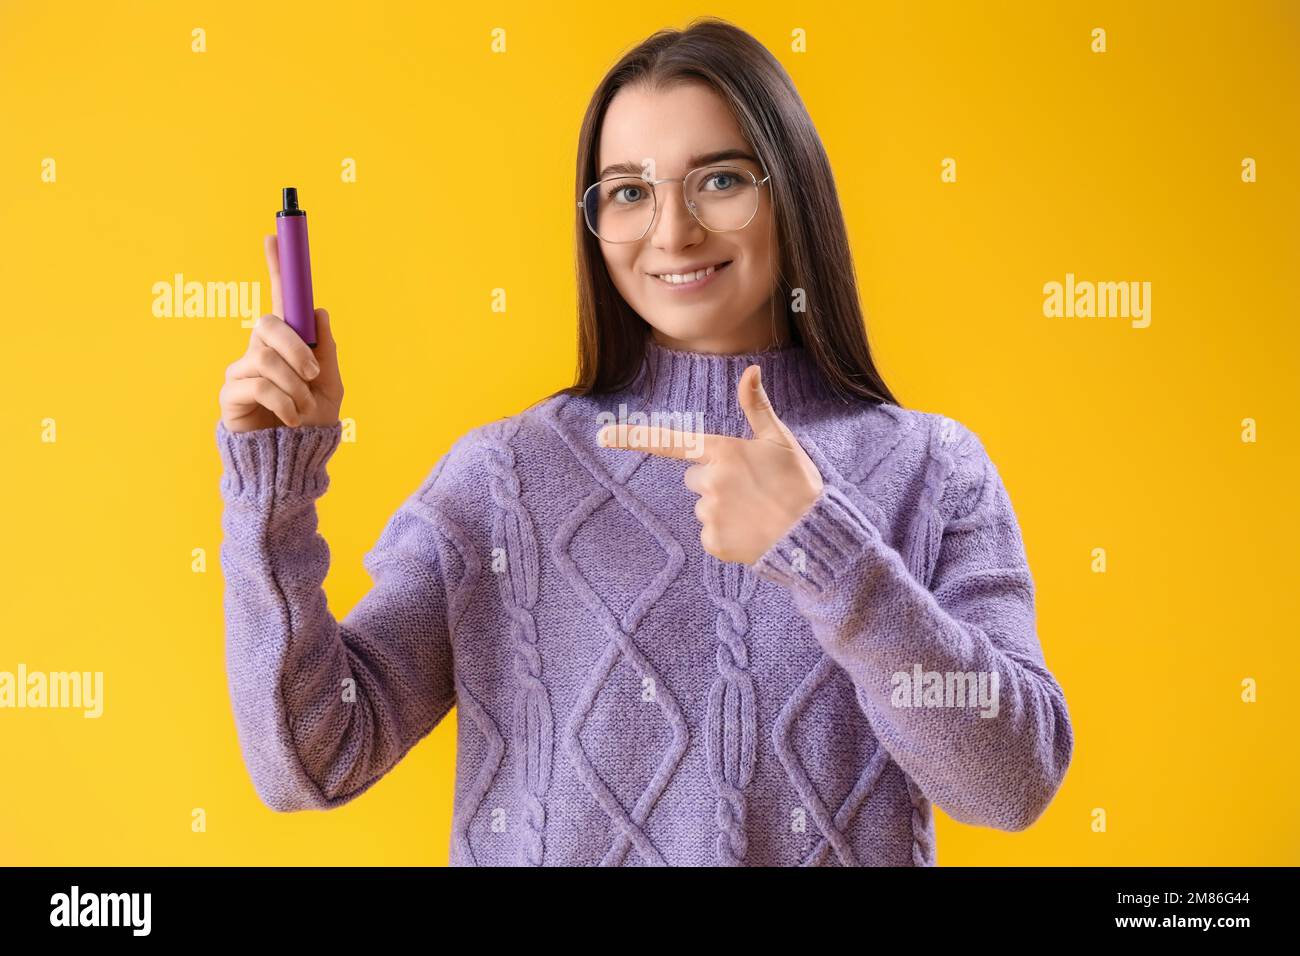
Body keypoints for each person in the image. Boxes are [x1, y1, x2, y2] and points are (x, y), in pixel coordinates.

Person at [215, 17, 1072, 866]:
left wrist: (828, 552)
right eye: (628, 192)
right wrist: (271, 494)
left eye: (720, 181)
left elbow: (1012, 784)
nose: (672, 234)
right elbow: (309, 763)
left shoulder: (935, 469)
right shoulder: (503, 478)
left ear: (793, 192)